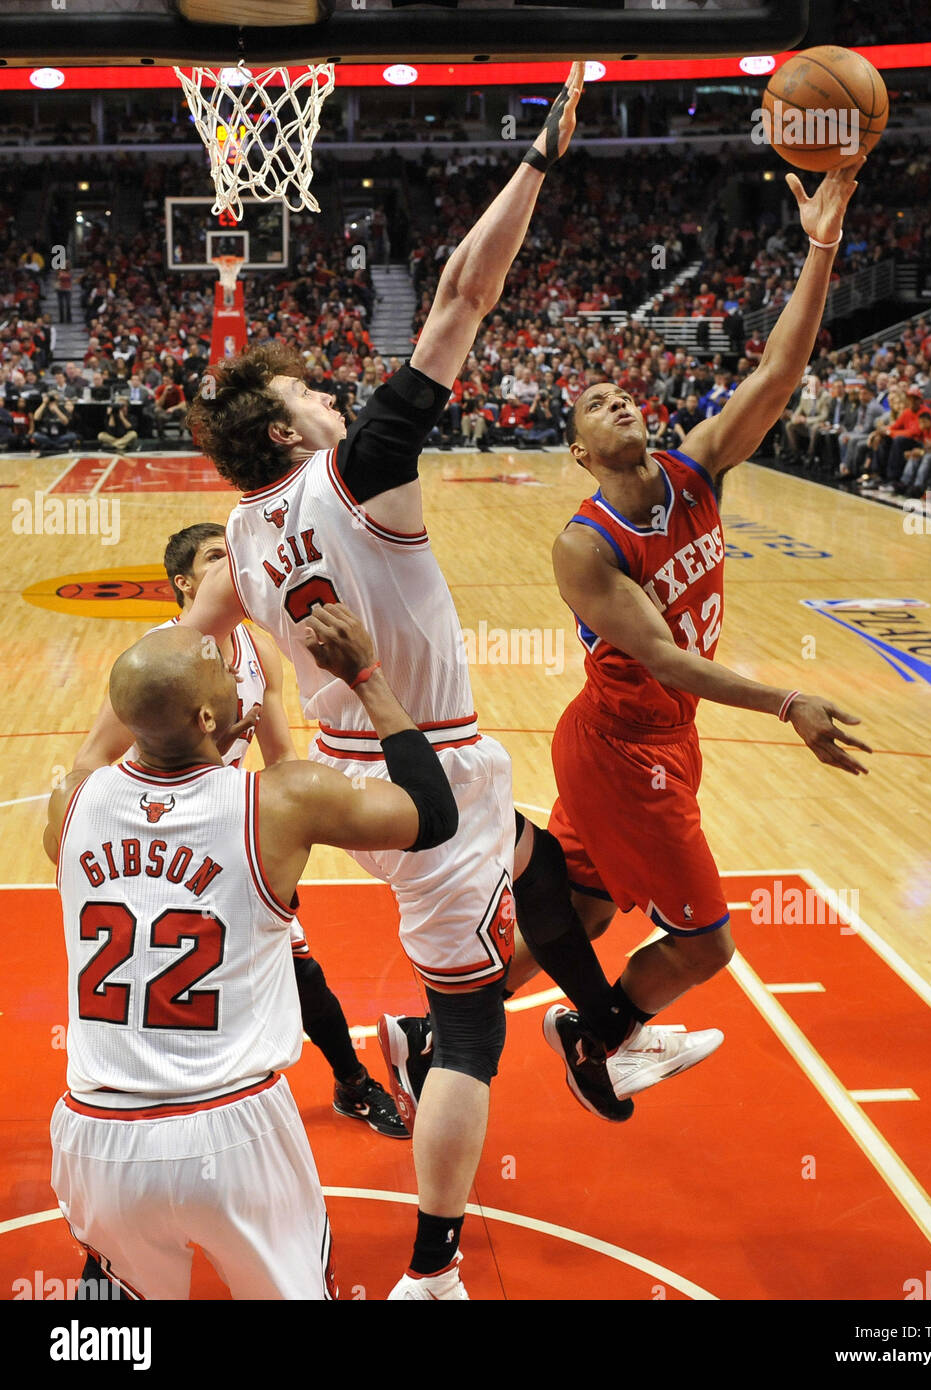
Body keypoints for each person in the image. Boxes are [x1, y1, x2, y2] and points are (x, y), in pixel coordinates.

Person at [179, 63, 677, 1300]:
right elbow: (463, 289)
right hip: (425, 771)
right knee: (468, 1026)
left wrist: (179, 736)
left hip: (365, 776)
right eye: (309, 389)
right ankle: (435, 1270)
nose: (330, 390)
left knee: (547, 867)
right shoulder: (356, 465)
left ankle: (609, 1026)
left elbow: (194, 636)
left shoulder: (238, 533)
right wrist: (538, 162)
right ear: (292, 428)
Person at [523, 159, 873, 1085]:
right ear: (578, 451)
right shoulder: (584, 547)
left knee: (588, 913)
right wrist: (786, 698)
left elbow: (781, 367)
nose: (618, 401)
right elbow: (670, 661)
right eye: (595, 405)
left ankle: (436, 1028)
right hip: (619, 747)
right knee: (706, 943)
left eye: (624, 394)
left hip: (662, 738)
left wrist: (822, 245)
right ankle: (597, 1038)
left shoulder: (696, 470)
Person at [45, 605, 458, 1300]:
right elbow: (433, 813)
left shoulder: (70, 804)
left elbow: (107, 751)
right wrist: (367, 677)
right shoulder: (280, 801)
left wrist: (159, 705)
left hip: (96, 1135)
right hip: (232, 1128)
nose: (239, 678)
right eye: (219, 672)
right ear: (211, 717)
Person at [72, 522, 407, 1141]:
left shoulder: (259, 651)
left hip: (224, 831)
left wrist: (280, 838)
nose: (233, 566)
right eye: (215, 558)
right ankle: (134, 1105)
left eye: (234, 555)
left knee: (300, 968)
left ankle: (352, 1084)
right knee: (157, 974)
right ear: (184, 584)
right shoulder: (158, 662)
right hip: (150, 838)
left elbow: (280, 763)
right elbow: (92, 760)